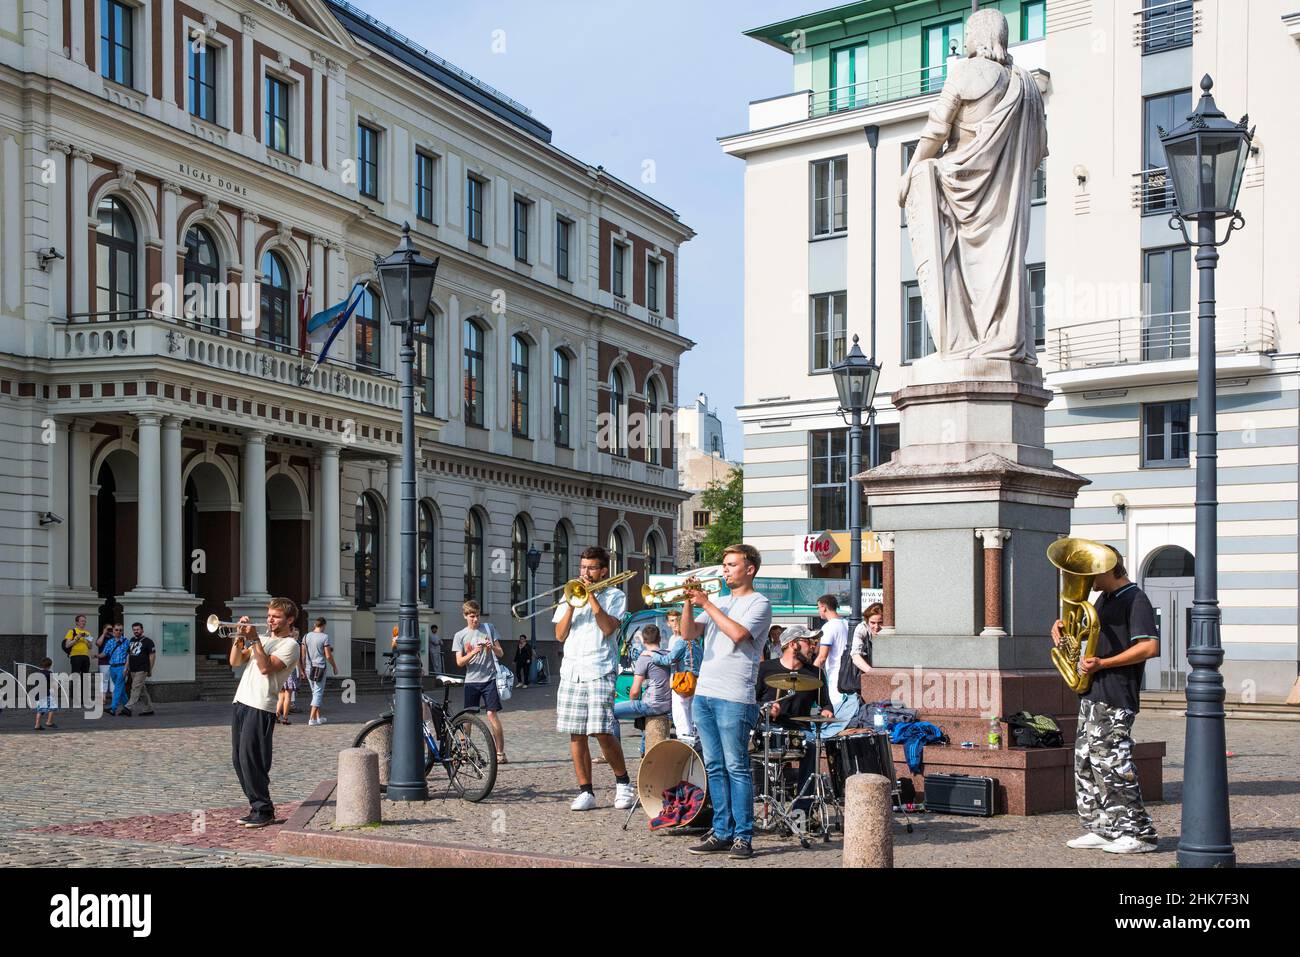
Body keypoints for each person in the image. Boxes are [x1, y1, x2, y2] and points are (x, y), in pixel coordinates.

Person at [1053, 547, 1160, 855]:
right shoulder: (1105, 599)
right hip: (1093, 693)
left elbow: (1149, 647)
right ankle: (1102, 827)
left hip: (1115, 694)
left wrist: (1103, 664)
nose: (1086, 580)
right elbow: (1088, 638)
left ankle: (1140, 833)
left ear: (1106, 569)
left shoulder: (1134, 598)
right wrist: (1064, 634)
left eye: (1090, 573)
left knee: (1113, 764)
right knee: (1086, 762)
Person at [682, 544, 773, 860]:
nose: (725, 570)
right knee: (715, 766)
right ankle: (721, 831)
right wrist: (687, 603)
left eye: (732, 564)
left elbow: (736, 634)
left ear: (750, 569)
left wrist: (705, 603)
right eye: (724, 565)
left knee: (737, 767)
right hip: (705, 693)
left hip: (735, 696)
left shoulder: (759, 603)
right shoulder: (718, 602)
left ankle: (743, 836)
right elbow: (687, 634)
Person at [553, 546, 633, 812]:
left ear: (603, 571)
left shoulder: (615, 596)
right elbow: (559, 635)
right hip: (572, 670)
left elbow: (609, 628)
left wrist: (591, 598)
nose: (585, 573)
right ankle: (586, 791)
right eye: (583, 567)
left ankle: (623, 783)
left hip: (599, 669)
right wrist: (572, 606)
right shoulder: (569, 595)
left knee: (601, 731)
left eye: (591, 568)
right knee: (576, 734)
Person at [230, 597, 302, 828]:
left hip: (261, 705)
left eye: (276, 616)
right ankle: (256, 806)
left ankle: (264, 809)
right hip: (241, 701)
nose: (270, 619)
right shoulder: (262, 639)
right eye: (269, 615)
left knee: (252, 760)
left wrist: (253, 640)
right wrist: (240, 637)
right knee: (239, 760)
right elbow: (235, 661)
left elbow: (265, 668)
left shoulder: (290, 646)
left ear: (289, 620)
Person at [755, 626, 833, 810]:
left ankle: (803, 810)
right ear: (793, 645)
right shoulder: (765, 669)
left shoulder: (816, 674)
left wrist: (826, 711)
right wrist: (764, 709)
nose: (813, 646)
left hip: (800, 731)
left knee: (813, 745)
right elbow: (750, 701)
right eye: (809, 642)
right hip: (768, 729)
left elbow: (826, 704)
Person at [453, 601, 508, 764]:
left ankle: (500, 753)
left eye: (477, 616)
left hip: (489, 679)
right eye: (472, 616)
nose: (476, 619)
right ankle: (464, 752)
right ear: (465, 616)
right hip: (471, 681)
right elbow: (459, 662)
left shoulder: (489, 628)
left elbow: (501, 653)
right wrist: (474, 652)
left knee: (492, 714)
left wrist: (492, 648)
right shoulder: (460, 635)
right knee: (469, 717)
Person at [612, 624, 672, 754]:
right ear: (660, 639)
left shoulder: (644, 658)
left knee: (610, 713)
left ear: (644, 641)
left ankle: (614, 751)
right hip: (667, 705)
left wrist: (633, 702)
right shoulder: (668, 655)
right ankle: (644, 752)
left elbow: (634, 691)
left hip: (651, 704)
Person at [648, 609, 702, 748]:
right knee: (691, 715)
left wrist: (653, 656)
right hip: (695, 681)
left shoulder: (681, 641)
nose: (675, 625)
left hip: (681, 681)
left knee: (681, 715)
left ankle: (685, 745)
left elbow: (669, 659)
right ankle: (695, 743)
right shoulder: (696, 642)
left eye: (677, 622)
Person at [304, 617, 338, 726]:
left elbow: (303, 653)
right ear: (323, 625)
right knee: (318, 693)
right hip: (320, 667)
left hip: (309, 667)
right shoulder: (324, 637)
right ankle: (311, 719)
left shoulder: (306, 636)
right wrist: (334, 666)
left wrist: (302, 668)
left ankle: (318, 717)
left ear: (315, 624)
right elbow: (328, 655)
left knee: (315, 692)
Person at [125, 622, 156, 717]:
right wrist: (126, 667)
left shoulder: (148, 641)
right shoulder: (132, 640)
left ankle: (128, 707)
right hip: (133, 668)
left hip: (142, 668)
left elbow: (152, 656)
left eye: (138, 629)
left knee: (135, 687)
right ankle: (148, 708)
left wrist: (149, 669)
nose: (136, 631)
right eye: (134, 630)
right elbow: (129, 655)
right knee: (142, 690)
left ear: (142, 630)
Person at [103, 624, 131, 716]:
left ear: (122, 631)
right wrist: (97, 656)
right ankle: (128, 708)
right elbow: (104, 653)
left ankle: (113, 708)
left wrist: (126, 668)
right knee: (121, 690)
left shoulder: (126, 641)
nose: (118, 631)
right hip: (112, 668)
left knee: (117, 688)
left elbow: (129, 655)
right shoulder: (110, 642)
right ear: (113, 631)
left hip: (122, 667)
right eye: (116, 630)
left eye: (120, 630)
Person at [850, 602, 884, 676]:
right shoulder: (862, 628)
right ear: (867, 621)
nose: (876, 627)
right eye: (872, 623)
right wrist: (872, 673)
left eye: (880, 623)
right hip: (865, 673)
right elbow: (855, 655)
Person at [31, 657, 56, 730]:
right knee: (52, 707)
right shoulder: (49, 673)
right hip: (45, 694)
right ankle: (49, 722)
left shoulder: (37, 673)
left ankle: (37, 725)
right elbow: (52, 684)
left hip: (37, 694)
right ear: (50, 665)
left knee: (40, 710)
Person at [95, 623, 116, 709]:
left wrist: (113, 634)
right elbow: (98, 644)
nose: (110, 630)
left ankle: (114, 698)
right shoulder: (102, 637)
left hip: (113, 662)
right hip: (103, 662)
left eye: (111, 628)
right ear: (104, 629)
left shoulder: (114, 637)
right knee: (104, 680)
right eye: (108, 629)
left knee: (113, 681)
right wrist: (104, 634)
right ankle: (103, 698)